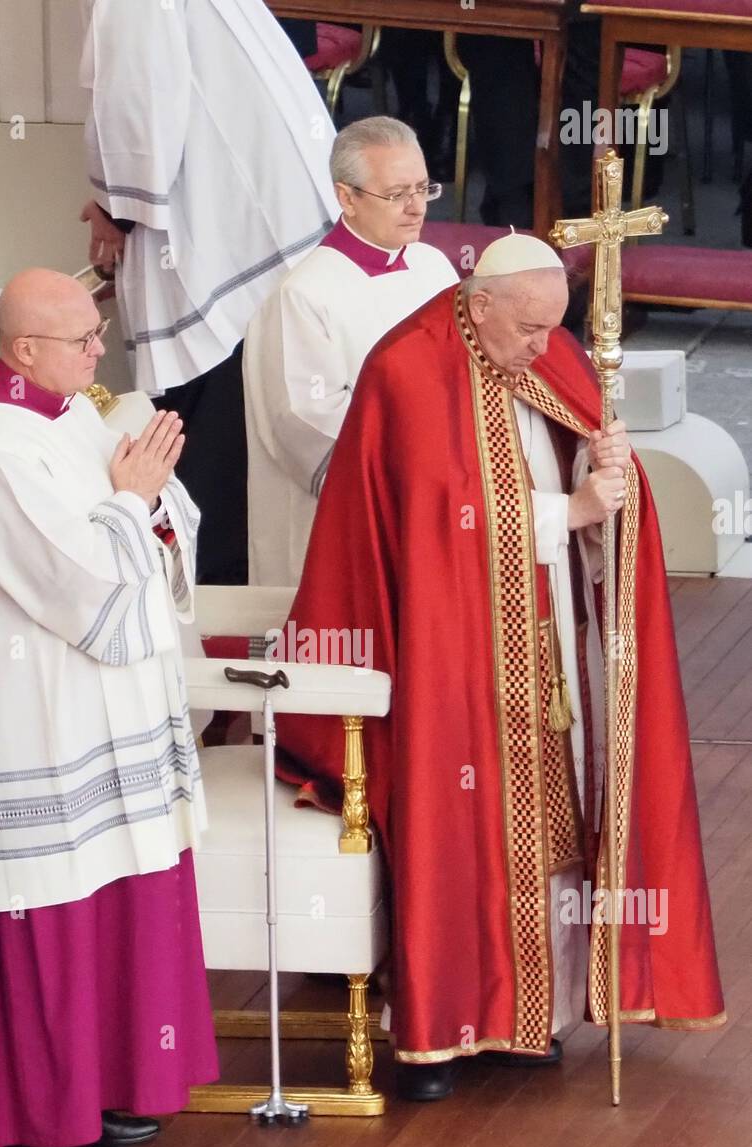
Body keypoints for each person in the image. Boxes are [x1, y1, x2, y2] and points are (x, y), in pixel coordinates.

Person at [276, 231, 726, 1101]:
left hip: (539, 634)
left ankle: (535, 1017)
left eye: (552, 330)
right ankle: (444, 1023)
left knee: (549, 824)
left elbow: (575, 472)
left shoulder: (542, 349)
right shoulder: (409, 370)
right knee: (457, 827)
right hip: (442, 651)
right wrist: (571, 507)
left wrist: (608, 490)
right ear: (479, 306)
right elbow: (443, 533)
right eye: (526, 330)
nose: (538, 349)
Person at [0, 268, 218, 1147]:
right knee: (54, 910)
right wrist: (134, 498)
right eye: (84, 341)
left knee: (120, 896)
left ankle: (113, 1086)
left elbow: (142, 528)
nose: (101, 355)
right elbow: (79, 587)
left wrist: (155, 497)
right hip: (39, 718)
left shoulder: (72, 412)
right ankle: (45, 1118)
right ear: (24, 352)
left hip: (105, 712)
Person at [79, 0, 339, 584]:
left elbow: (138, 115)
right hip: (255, 224)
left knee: (213, 435)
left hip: (219, 243)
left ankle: (210, 597)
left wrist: (111, 213)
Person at [244, 117, 458, 587]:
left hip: (434, 496)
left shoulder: (435, 266)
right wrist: (417, 458)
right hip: (352, 512)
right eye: (397, 193)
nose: (416, 207)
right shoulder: (305, 295)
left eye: (424, 188)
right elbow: (304, 421)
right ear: (347, 197)